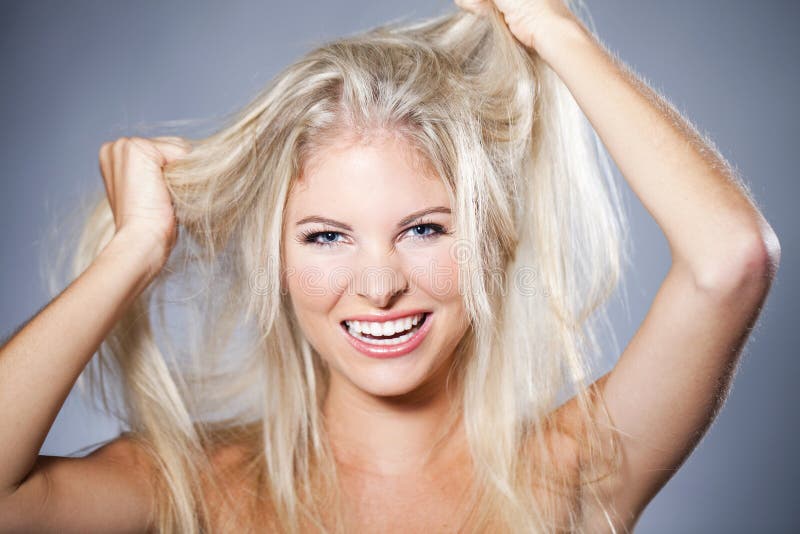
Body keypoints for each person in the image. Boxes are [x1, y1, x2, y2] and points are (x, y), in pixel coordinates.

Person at [0, 0, 781, 532]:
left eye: (423, 229)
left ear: (490, 241)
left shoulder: (571, 473)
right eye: (325, 237)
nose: (378, 286)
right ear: (273, 260)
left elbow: (730, 259)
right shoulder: (194, 484)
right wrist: (133, 252)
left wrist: (557, 32)